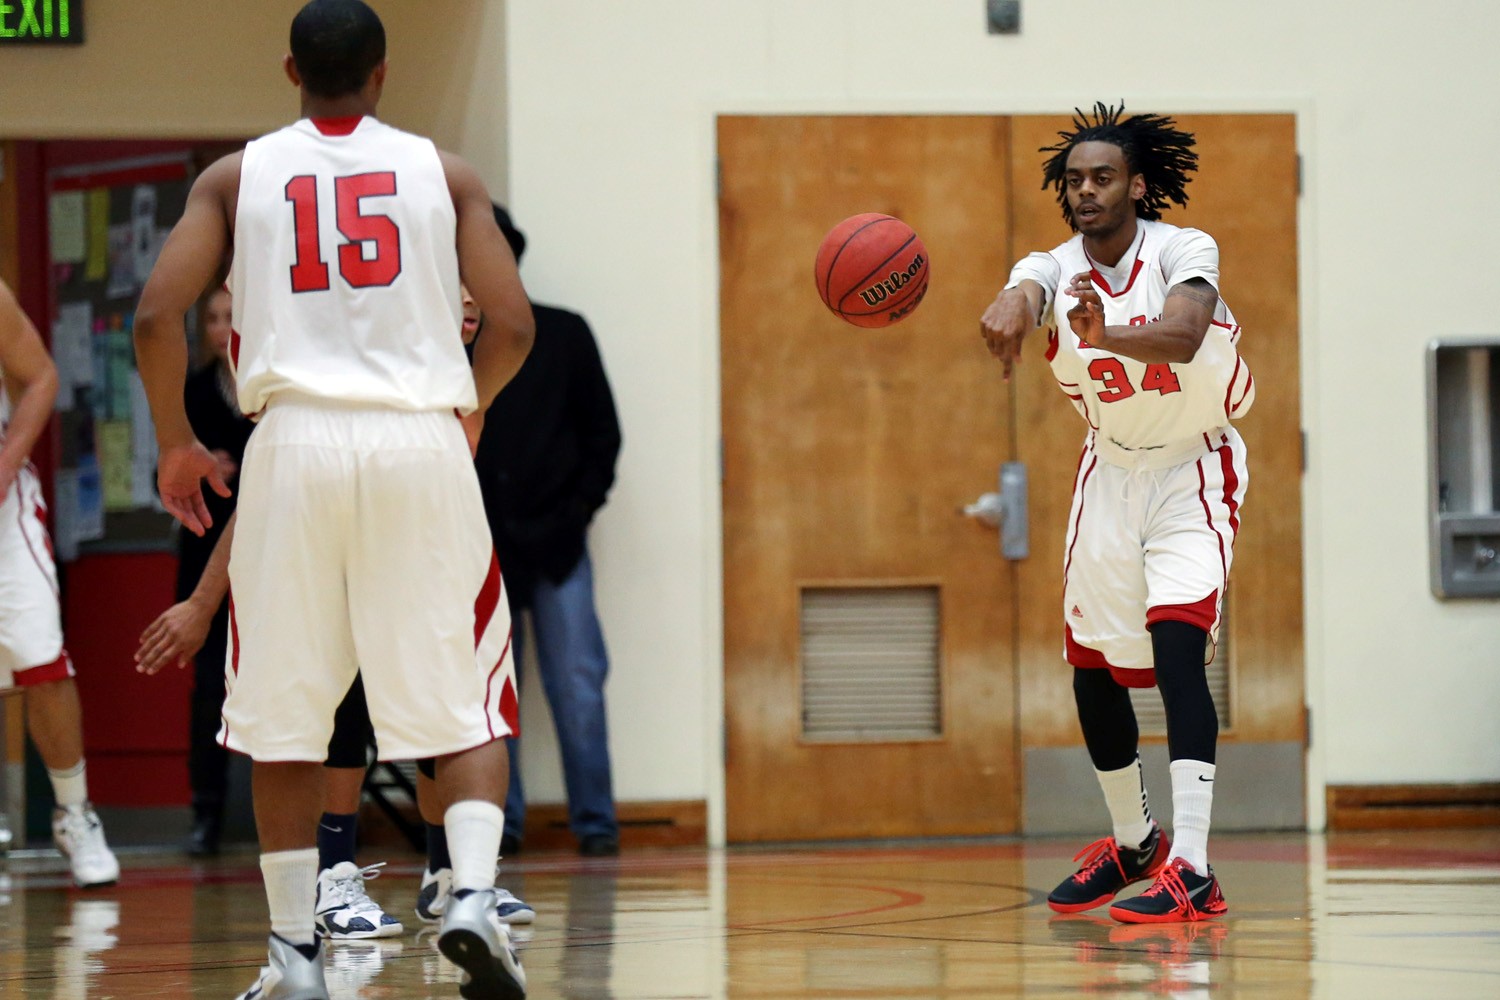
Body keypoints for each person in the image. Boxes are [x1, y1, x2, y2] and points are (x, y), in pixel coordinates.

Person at [133, 2, 535, 997]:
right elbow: (515, 325)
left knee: (285, 717)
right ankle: (473, 895)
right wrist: (463, 409)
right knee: (467, 696)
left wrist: (179, 445)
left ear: (289, 70)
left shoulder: (235, 177)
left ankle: (293, 955)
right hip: (418, 439)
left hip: (293, 445)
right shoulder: (448, 173)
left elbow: (153, 314)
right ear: (384, 73)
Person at [979, 103, 1253, 924]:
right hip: (1110, 472)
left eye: (1102, 177)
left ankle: (1194, 868)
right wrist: (1013, 307)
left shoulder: (1182, 248)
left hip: (1194, 467)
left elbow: (1182, 331)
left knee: (1177, 646)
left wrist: (1109, 335)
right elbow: (1028, 289)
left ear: (1136, 184)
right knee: (1092, 665)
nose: (1086, 192)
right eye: (1073, 181)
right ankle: (1136, 841)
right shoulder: (1054, 265)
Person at [475, 208, 623, 859]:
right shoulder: (447, 348)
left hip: (559, 544)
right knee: (491, 695)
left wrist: (573, 514)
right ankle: (500, 828)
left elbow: (602, 438)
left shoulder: (564, 335)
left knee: (578, 684)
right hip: (480, 548)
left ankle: (596, 825)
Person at [0, 278, 120, 889]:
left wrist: (6, 462)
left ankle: (75, 813)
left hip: (2, 506)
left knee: (39, 654)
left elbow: (42, 376)